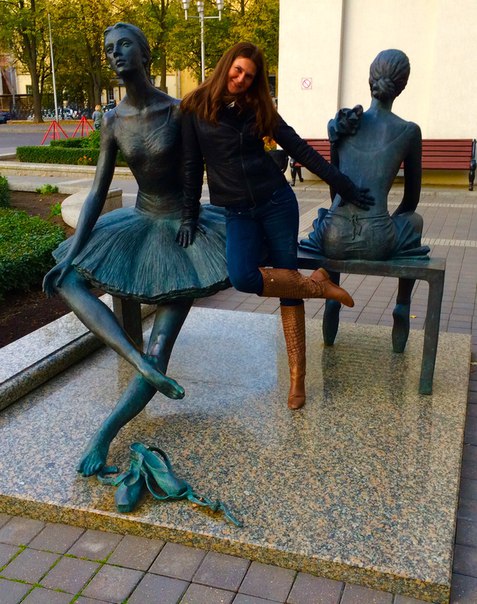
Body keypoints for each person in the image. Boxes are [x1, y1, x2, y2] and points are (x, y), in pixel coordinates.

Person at [43, 22, 230, 477]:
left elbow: (199, 171)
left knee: (161, 344)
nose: (115, 53)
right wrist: (73, 252)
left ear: (145, 54)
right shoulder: (112, 121)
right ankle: (138, 363)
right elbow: (97, 191)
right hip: (138, 223)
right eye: (109, 48)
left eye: (124, 45)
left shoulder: (178, 110)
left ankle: (104, 433)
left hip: (184, 234)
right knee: (64, 279)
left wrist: (190, 219)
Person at [178, 42, 373, 410]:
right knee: (242, 276)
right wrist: (189, 215)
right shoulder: (194, 107)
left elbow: (300, 149)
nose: (241, 80)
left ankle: (298, 378)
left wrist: (343, 185)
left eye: (249, 76)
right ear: (226, 66)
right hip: (238, 212)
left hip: (277, 204)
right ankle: (319, 284)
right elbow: (190, 166)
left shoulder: (258, 108)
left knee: (288, 288)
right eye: (237, 70)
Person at [300, 49, 430, 352]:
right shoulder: (409, 131)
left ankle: (332, 301)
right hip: (378, 240)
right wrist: (387, 221)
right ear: (402, 86)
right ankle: (402, 304)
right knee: (415, 221)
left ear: (370, 79)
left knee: (327, 214)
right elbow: (411, 200)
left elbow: (335, 189)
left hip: (332, 237)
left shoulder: (343, 123)